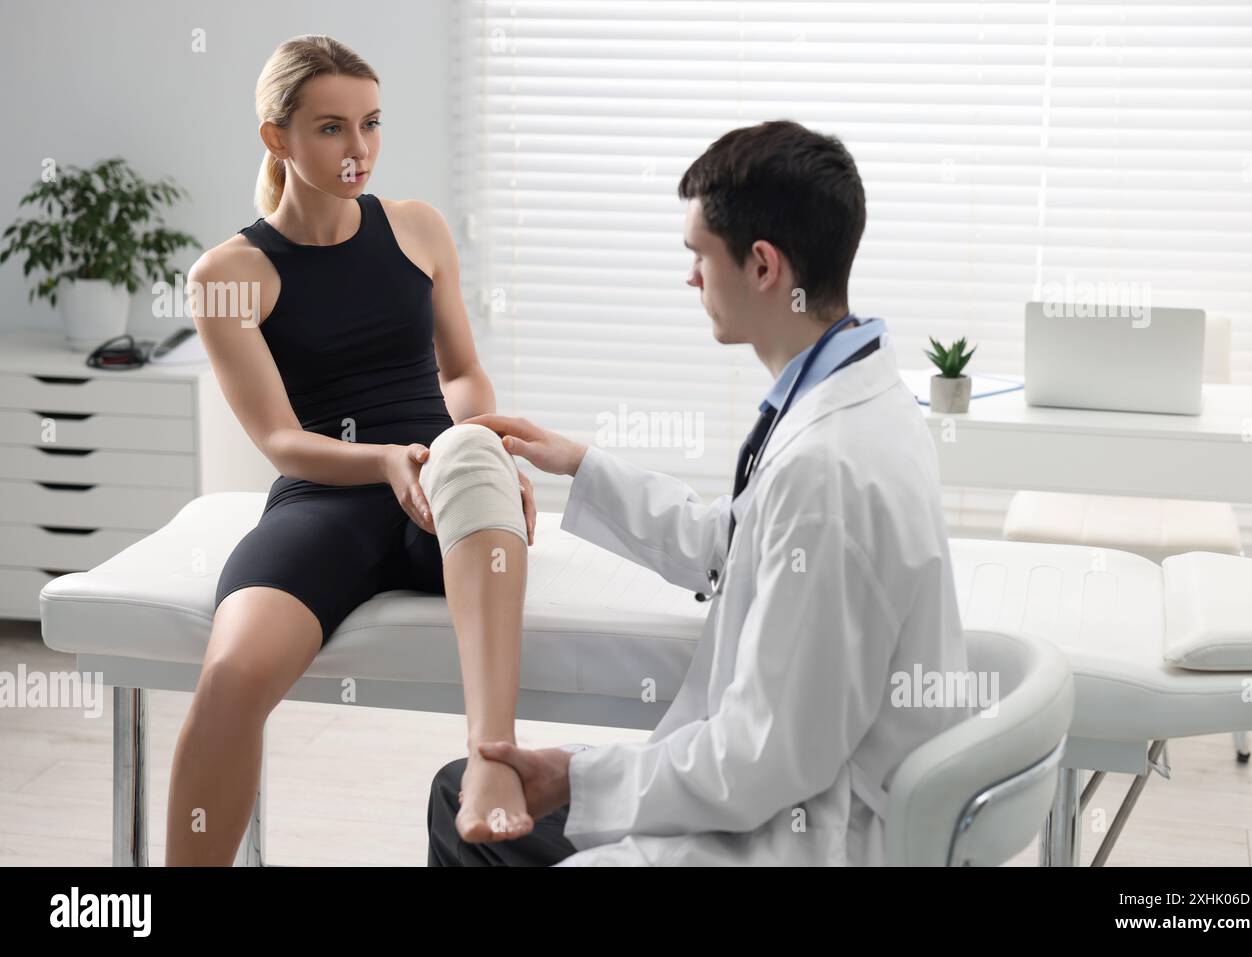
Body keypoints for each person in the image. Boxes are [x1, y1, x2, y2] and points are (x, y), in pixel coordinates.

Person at [427, 119, 970, 866]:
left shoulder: (827, 469)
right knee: (459, 791)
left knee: (480, 819)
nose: (690, 278)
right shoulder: (853, 390)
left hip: (803, 831)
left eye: (698, 256)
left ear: (763, 266)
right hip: (788, 790)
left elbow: (766, 758)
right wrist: (580, 464)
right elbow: (741, 539)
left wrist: (575, 777)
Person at [169, 35, 540, 864]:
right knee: (230, 676)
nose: (359, 149)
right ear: (278, 137)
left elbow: (466, 373)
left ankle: (491, 764)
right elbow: (277, 438)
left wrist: (469, 449)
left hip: (441, 483)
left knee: (475, 452)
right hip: (326, 497)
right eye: (332, 128)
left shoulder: (417, 228)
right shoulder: (230, 273)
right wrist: (380, 460)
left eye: (370, 124)